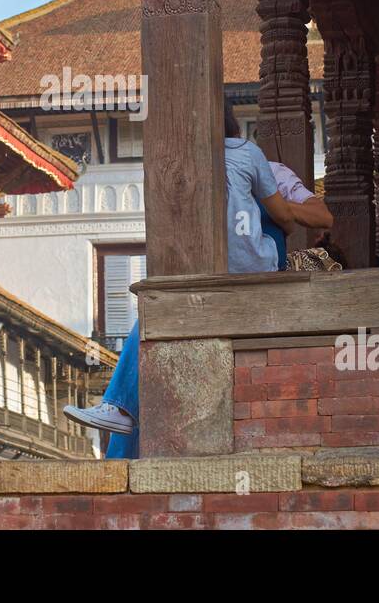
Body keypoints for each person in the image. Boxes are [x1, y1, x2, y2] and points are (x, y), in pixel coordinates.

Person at [62, 100, 321, 457]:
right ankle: (119, 433)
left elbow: (309, 218)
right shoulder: (183, 166)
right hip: (204, 279)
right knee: (150, 336)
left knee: (151, 325)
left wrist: (266, 203)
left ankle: (117, 424)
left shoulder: (262, 164)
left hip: (249, 283)